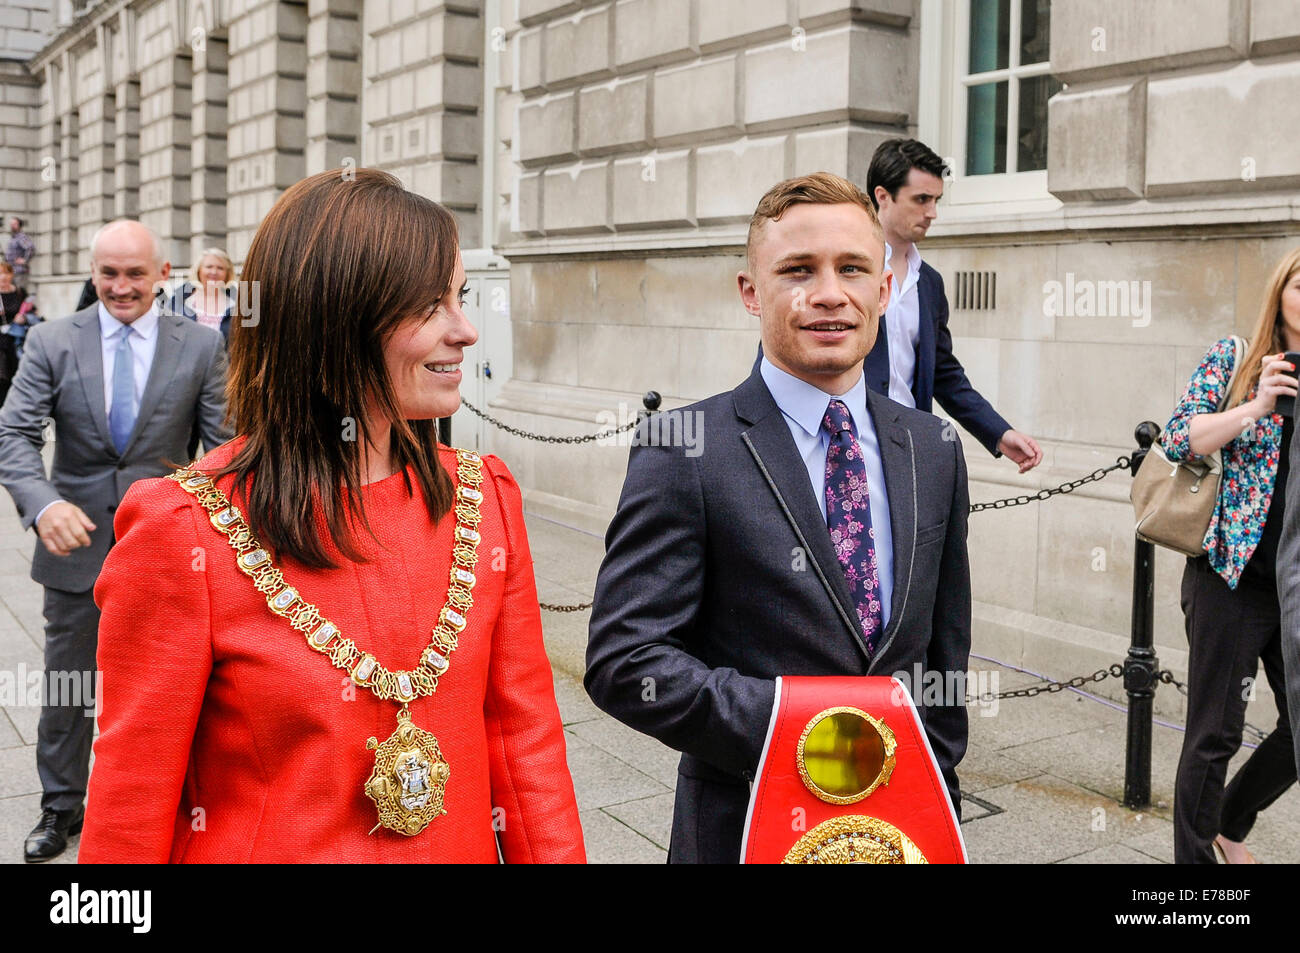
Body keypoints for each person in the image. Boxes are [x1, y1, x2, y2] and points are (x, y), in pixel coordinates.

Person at [78, 169, 585, 863]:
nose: (465, 330)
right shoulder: (183, 528)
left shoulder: (484, 495)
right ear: (338, 319)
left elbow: (526, 749)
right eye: (432, 305)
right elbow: (130, 806)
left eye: (459, 298)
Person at [585, 172, 971, 863]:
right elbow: (624, 660)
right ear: (751, 292)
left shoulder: (934, 449)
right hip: (744, 825)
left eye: (852, 268)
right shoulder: (686, 451)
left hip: (900, 827)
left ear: (882, 290)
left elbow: (945, 651)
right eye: (798, 270)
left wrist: (937, 778)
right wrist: (813, 726)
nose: (829, 292)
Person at [0, 219, 233, 863]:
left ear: (163, 276)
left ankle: (169, 803)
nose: (120, 287)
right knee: (69, 682)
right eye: (108, 273)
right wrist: (42, 504)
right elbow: (13, 434)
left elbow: (224, 448)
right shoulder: (50, 340)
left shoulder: (201, 347)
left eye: (135, 274)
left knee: (171, 685)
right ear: (92, 272)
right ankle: (60, 806)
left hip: (167, 551)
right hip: (73, 549)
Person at [1162, 247, 1300, 864]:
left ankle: (1229, 819)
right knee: (1214, 734)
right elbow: (1178, 440)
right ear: (1281, 291)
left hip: (1295, 583)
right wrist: (1255, 406)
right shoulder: (1237, 357)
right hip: (1232, 575)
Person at [866, 138, 1042, 473]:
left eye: (936, 200)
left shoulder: (929, 282)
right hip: (847, 447)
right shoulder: (846, 269)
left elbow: (944, 374)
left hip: (908, 449)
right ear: (882, 196)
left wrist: (999, 432)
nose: (932, 212)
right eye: (921, 199)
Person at [166, 247, 237, 344]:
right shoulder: (179, 301)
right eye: (209, 267)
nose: (214, 272)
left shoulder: (236, 304)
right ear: (199, 270)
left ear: (228, 273)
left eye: (220, 268)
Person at [0, 260, 37, 404]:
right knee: (2, 377)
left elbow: (32, 312)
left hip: (16, 341)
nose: (3, 277)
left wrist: (24, 317)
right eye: (0, 273)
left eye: (6, 273)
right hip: (0, 344)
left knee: (17, 374)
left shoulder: (20, 292)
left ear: (11, 275)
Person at [5, 216, 35, 293]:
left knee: (20, 294)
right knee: (13, 294)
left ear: (19, 225)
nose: (12, 226)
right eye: (11, 224)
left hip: (20, 272)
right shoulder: (13, 238)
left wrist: (25, 260)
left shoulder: (21, 237)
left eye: (14, 224)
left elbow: (30, 248)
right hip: (12, 271)